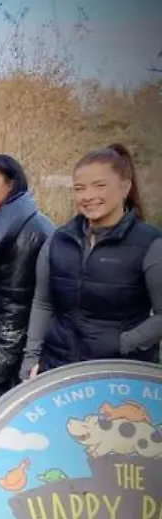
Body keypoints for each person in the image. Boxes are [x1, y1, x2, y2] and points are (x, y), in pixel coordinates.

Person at [20, 144, 162, 378]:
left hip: (120, 372)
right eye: (79, 188)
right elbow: (43, 303)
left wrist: (123, 343)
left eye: (100, 186)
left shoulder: (151, 244)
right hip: (59, 366)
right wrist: (32, 358)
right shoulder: (58, 239)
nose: (88, 196)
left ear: (125, 187)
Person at [0, 155, 53, 410]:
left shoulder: (26, 231)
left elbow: (16, 306)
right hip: (0, 347)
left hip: (17, 358)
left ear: (11, 183)